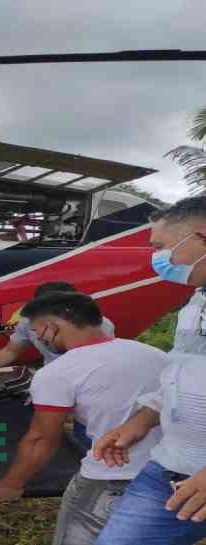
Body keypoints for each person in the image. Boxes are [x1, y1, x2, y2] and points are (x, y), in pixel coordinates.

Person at [0, 292, 168, 545]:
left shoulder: (59, 372)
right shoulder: (154, 354)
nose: (37, 337)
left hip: (111, 476)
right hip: (170, 472)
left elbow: (40, 439)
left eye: (37, 330)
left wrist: (11, 484)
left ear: (52, 327)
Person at [91, 196, 206, 545]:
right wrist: (138, 423)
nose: (157, 257)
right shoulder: (197, 302)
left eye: (161, 247)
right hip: (172, 470)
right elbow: (183, 371)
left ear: (202, 238)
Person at [0, 281, 116, 373]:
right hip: (52, 376)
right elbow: (10, 351)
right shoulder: (28, 321)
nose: (37, 335)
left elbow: (101, 364)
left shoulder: (98, 325)